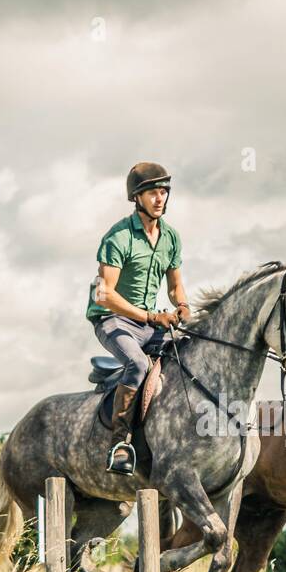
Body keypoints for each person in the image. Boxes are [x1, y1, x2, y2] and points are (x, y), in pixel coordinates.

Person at [87, 162, 190, 475]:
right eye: (152, 193)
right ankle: (120, 443)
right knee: (139, 365)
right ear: (137, 198)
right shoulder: (118, 237)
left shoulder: (170, 237)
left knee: (186, 357)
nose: (159, 199)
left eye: (163, 192)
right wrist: (150, 315)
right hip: (112, 319)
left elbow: (174, 286)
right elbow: (105, 295)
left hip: (149, 324)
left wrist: (183, 305)